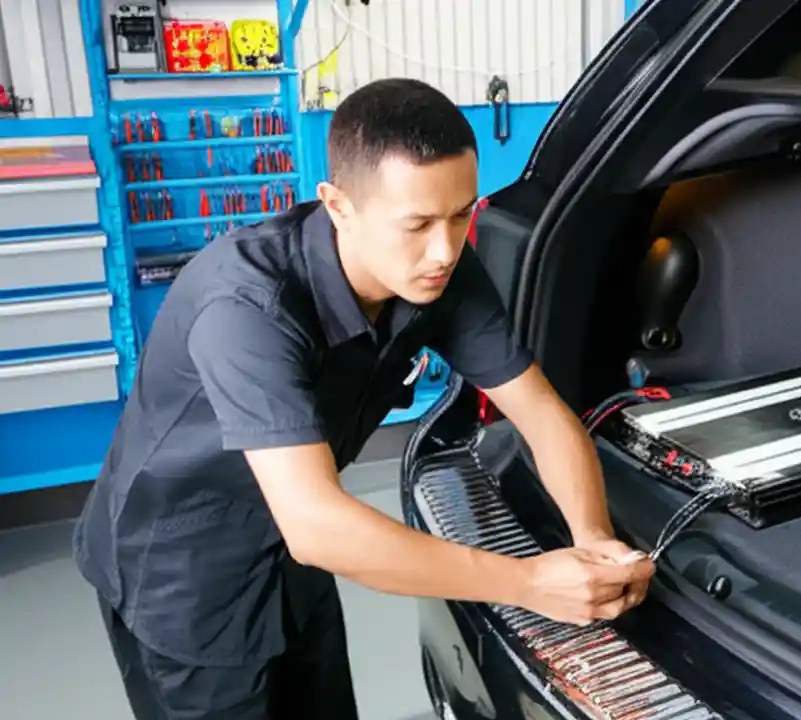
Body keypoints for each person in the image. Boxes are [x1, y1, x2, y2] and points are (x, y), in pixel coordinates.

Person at [72, 78, 655, 720]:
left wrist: (590, 538)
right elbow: (319, 527)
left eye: (461, 214)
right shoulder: (247, 305)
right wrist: (531, 583)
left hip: (291, 554)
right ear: (338, 205)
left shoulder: (441, 273)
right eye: (417, 224)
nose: (445, 250)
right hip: (181, 580)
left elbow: (541, 413)